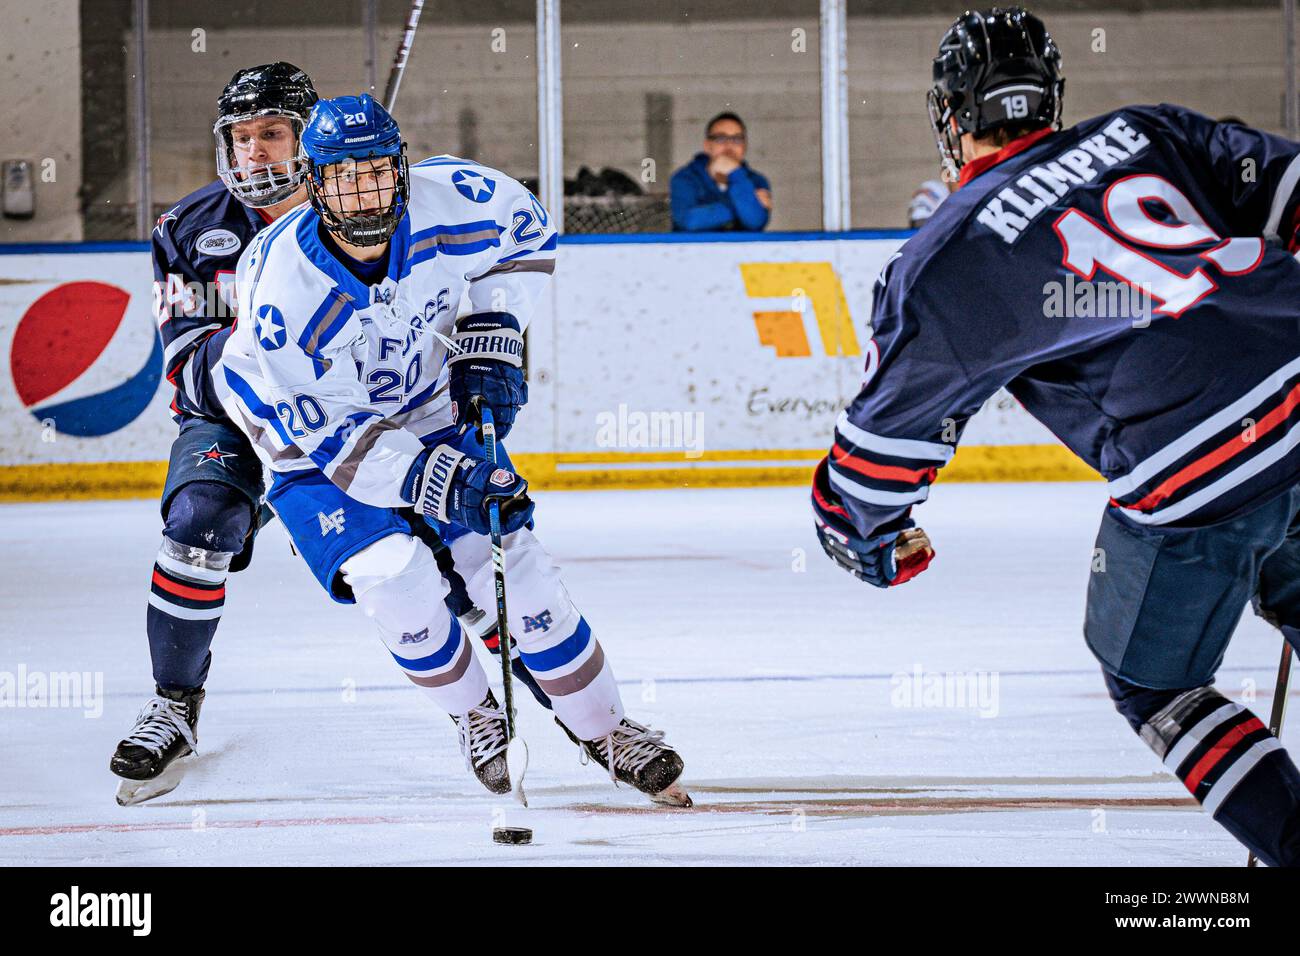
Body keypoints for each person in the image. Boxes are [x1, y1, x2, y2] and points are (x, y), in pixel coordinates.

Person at [812, 6, 1300, 866]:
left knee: (1156, 682)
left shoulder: (944, 260)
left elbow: (876, 458)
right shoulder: (1146, 131)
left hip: (1197, 457)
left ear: (952, 117)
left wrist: (868, 540)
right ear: (1049, 97)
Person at [213, 93, 690, 805]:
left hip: (423, 398)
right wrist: (445, 483)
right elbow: (341, 440)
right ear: (312, 182)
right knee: (395, 577)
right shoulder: (284, 290)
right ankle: (475, 713)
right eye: (341, 176)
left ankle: (607, 730)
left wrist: (491, 335)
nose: (362, 190)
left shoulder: (461, 199)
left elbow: (525, 240)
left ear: (400, 169)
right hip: (305, 437)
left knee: (515, 563)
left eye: (375, 171)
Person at [109, 63, 320, 806]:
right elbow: (190, 366)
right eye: (242, 135)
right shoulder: (190, 229)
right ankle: (175, 703)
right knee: (199, 524)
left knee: (446, 531)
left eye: (272, 133)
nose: (254, 151)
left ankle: (541, 712)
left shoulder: (365, 210)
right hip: (230, 415)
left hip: (354, 413)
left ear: (307, 137)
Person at [669, 112, 771, 231]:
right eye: (721, 138)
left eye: (737, 139)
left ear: (745, 146)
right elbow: (688, 221)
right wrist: (746, 202)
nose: (729, 146)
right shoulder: (685, 178)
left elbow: (755, 222)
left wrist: (736, 174)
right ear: (707, 146)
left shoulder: (757, 180)